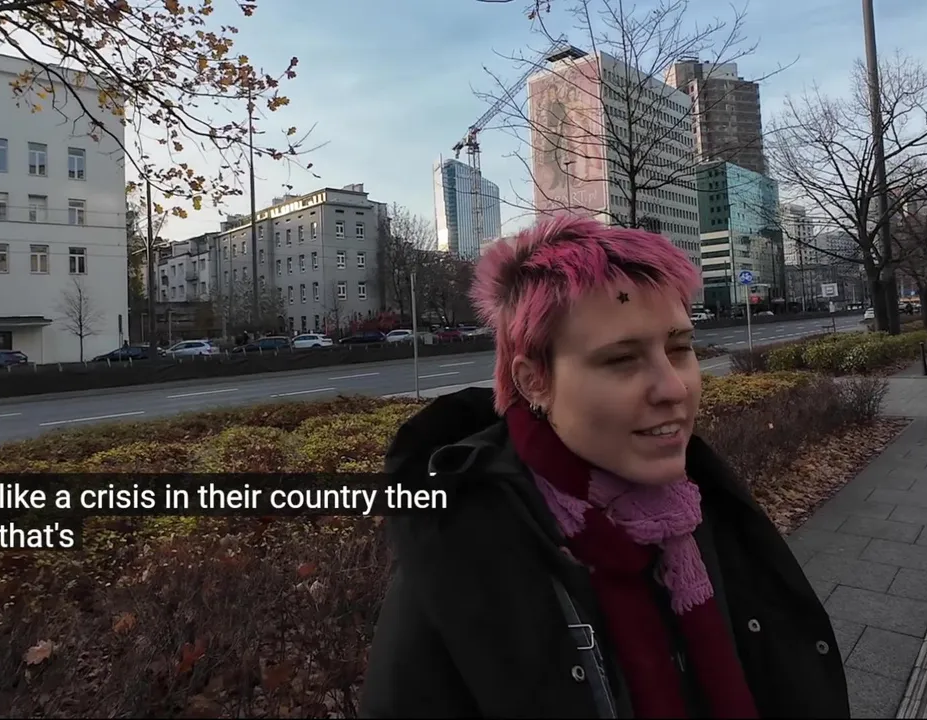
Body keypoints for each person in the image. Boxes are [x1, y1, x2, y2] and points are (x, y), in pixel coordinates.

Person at [359, 215, 850, 718]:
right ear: (533, 382)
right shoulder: (460, 558)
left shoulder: (699, 501)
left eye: (680, 348)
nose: (674, 388)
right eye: (622, 360)